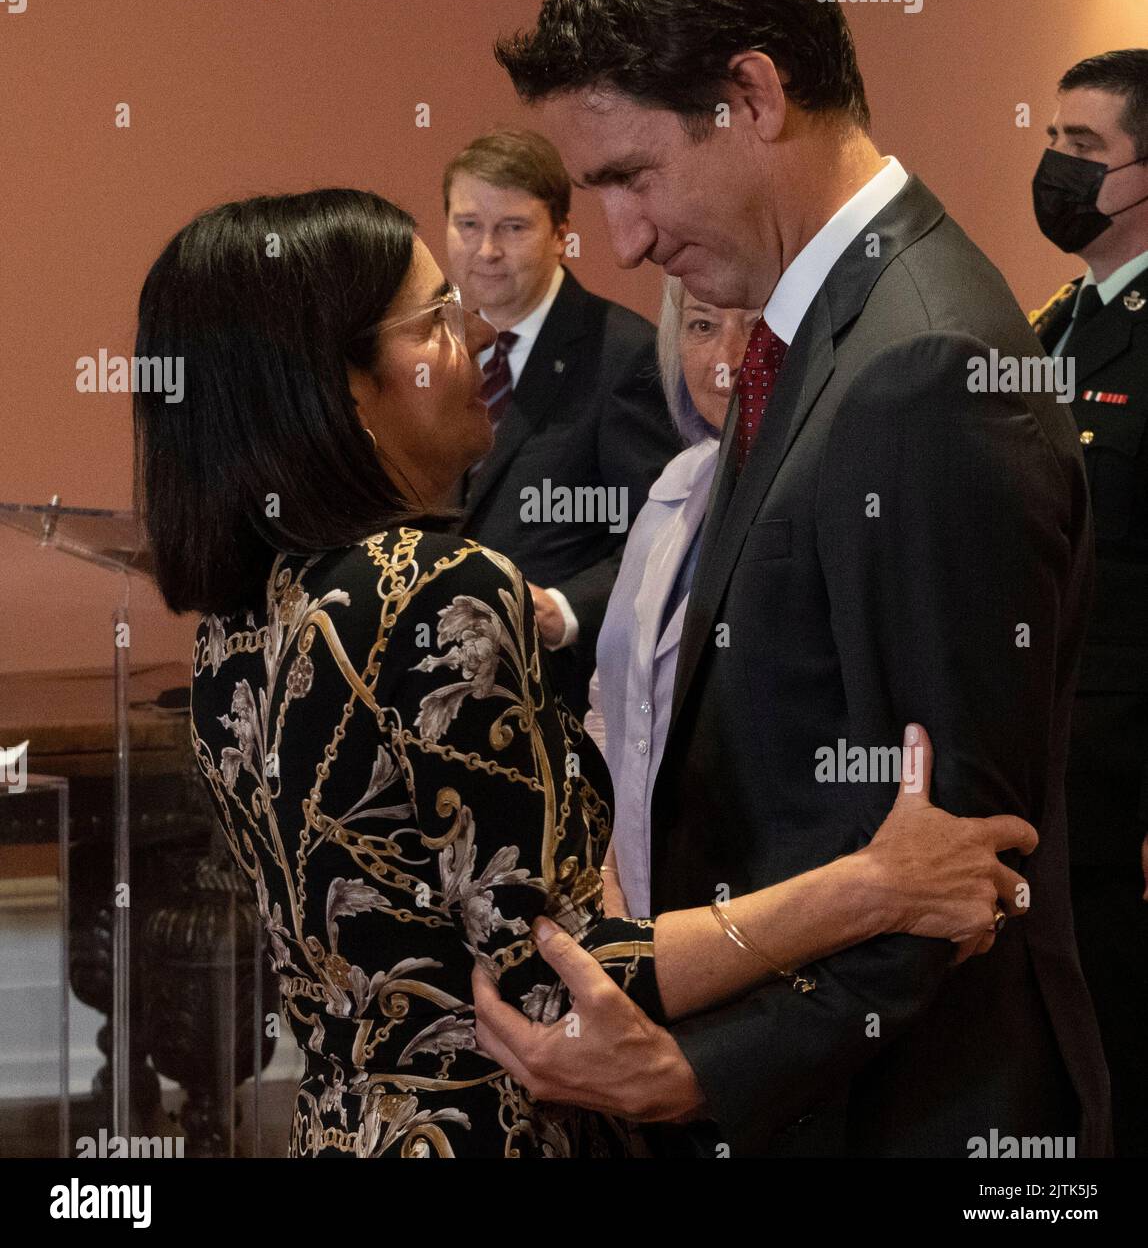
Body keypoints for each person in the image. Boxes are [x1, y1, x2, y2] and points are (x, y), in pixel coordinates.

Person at [134, 187, 1038, 1158]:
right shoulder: (435, 588)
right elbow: (559, 972)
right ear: (348, 384)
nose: (478, 332)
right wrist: (876, 885)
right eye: (437, 315)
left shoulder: (235, 624)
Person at [474, 0, 1112, 1158]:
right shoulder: (826, 329)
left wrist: (694, 1071)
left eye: (631, 176)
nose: (625, 237)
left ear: (752, 96)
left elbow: (958, 863)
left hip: (913, 1109)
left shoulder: (917, 365)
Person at [444, 129, 680, 716]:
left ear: (561, 236)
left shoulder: (624, 356)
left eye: (513, 228)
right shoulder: (434, 354)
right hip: (442, 685)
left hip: (558, 696)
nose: (486, 250)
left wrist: (565, 607)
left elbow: (662, 541)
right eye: (468, 224)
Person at [1028, 48, 1148, 1157]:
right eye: (1050, 141)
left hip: (1123, 758)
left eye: (1084, 149)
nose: (1054, 167)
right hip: (1045, 733)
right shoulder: (1053, 318)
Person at [585, 280, 757, 915]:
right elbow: (613, 701)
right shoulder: (677, 482)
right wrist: (600, 862)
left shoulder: (827, 498)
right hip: (637, 909)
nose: (726, 358)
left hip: (763, 917)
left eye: (757, 324)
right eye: (703, 326)